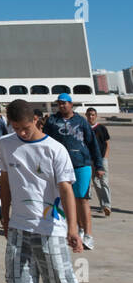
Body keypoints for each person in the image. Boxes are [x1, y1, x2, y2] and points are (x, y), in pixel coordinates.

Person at [0, 99, 83, 283]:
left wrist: (73, 228)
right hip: (19, 230)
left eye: (25, 127)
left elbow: (65, 189)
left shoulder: (54, 149)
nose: (21, 133)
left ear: (38, 119)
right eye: (16, 129)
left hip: (51, 232)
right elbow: (5, 182)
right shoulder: (5, 144)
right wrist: (5, 216)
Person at [44, 93, 106, 251]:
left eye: (65, 103)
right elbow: (44, 142)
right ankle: (76, 229)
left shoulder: (80, 121)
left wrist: (99, 166)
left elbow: (92, 144)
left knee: (82, 200)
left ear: (71, 104)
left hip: (81, 164)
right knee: (65, 199)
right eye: (59, 103)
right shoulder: (52, 121)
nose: (62, 106)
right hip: (60, 166)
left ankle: (88, 234)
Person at [85, 107, 113, 217]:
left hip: (101, 159)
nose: (91, 117)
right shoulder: (84, 128)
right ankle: (102, 205)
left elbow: (106, 144)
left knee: (104, 181)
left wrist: (104, 158)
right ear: (86, 116)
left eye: (93, 115)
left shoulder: (101, 128)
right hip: (89, 160)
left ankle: (107, 205)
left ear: (96, 116)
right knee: (95, 183)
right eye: (89, 115)